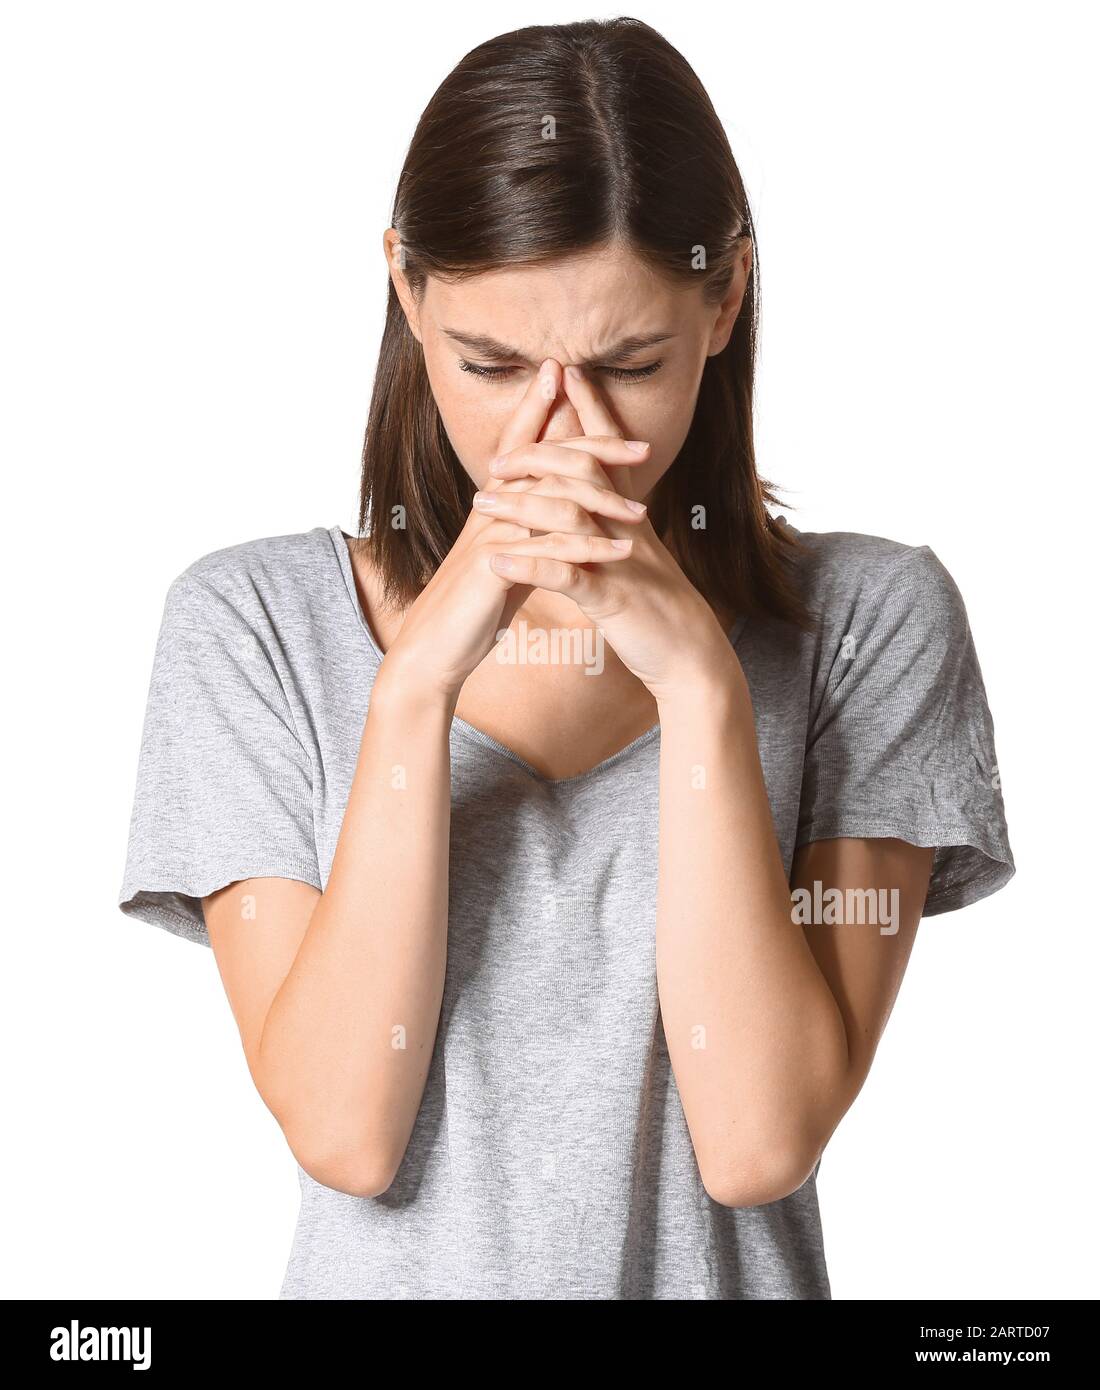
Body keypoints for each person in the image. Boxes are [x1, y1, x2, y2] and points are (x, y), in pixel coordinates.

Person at [117, 17, 1015, 1300]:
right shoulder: (255, 624)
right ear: (404, 289)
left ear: (724, 300)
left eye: (628, 364)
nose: (561, 433)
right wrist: (414, 685)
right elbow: (345, 1131)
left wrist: (702, 688)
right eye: (488, 363)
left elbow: (759, 1142)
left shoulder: (868, 620)